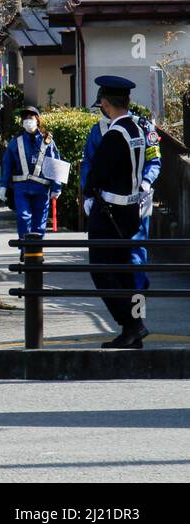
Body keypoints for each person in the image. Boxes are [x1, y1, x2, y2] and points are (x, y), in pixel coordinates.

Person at [83, 76, 152, 348]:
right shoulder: (138, 128)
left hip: (109, 209)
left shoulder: (114, 134)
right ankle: (132, 329)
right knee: (124, 270)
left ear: (106, 103)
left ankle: (131, 323)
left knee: (101, 270)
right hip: (131, 209)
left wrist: (89, 190)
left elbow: (97, 173)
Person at [0, 106, 63, 239]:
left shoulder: (48, 141)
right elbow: (7, 164)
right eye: (25, 118)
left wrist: (56, 187)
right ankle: (25, 250)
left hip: (42, 188)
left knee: (40, 222)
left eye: (31, 117)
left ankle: (37, 252)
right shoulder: (15, 141)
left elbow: (55, 163)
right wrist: (3, 186)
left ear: (37, 120)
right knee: (23, 217)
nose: (28, 120)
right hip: (21, 187)